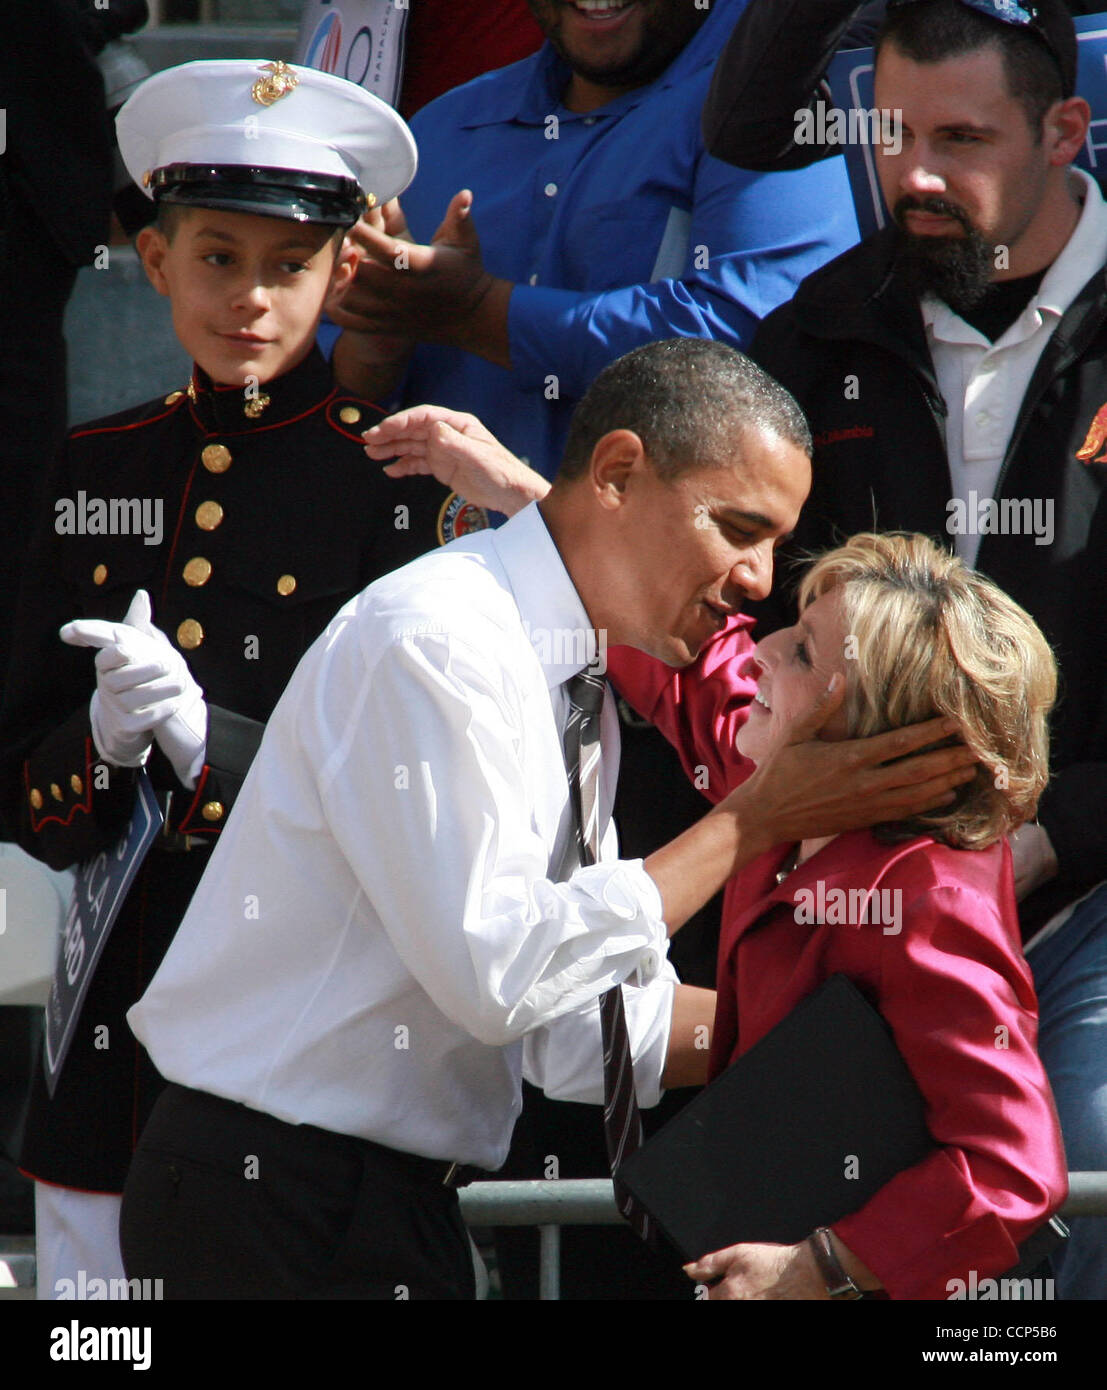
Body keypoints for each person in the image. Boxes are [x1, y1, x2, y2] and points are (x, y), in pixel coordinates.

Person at [118, 339, 977, 1300]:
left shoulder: (565, 671)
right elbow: (498, 974)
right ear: (616, 473)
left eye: (775, 542)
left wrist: (889, 1049)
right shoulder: (440, 640)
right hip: (269, 1202)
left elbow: (579, 1028)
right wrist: (753, 822)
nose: (755, 579)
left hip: (361, 1208)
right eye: (739, 527)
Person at [0, 58, 451, 1297]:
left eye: (287, 264)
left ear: (341, 272)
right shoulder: (95, 461)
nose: (250, 298)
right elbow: (20, 782)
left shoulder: (392, 481)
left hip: (291, 1052)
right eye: (216, 258)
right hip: (103, 1053)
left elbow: (410, 791)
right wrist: (98, 747)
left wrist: (215, 743)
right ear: (153, 263)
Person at [742, 0, 1107, 1298]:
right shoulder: (817, 329)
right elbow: (736, 602)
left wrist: (1035, 844)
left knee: (1069, 1197)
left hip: (1083, 898)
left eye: (959, 136)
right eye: (891, 131)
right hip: (856, 904)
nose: (914, 174)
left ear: (1067, 130)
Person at [608, 532, 1067, 1299]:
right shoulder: (783, 799)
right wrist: (550, 517)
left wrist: (819, 1267)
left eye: (801, 654)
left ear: (870, 727)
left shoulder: (929, 900)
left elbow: (1012, 1167)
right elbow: (692, 678)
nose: (761, 651)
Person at [325, 0, 860, 481]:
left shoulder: (779, 101)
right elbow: (329, 394)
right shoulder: (441, 130)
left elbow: (761, 341)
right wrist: (381, 336)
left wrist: (480, 312)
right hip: (437, 573)